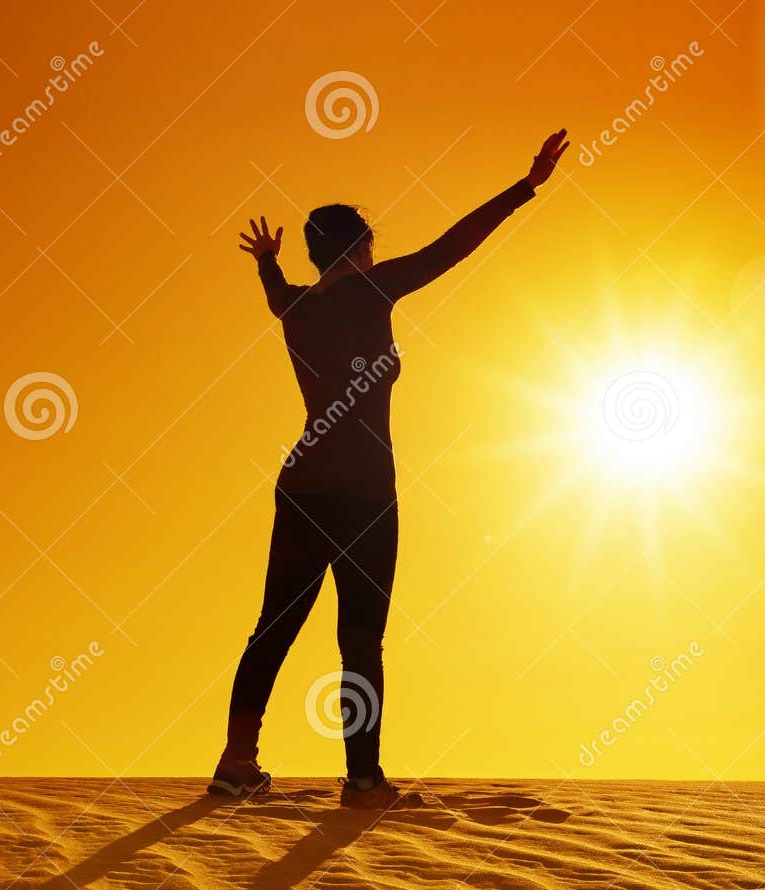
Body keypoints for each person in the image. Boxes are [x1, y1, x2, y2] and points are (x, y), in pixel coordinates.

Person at [211, 129, 570, 806]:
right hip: (365, 493)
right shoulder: (374, 289)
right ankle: (364, 778)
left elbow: (275, 295)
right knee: (361, 637)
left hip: (302, 485)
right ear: (362, 245)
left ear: (315, 253)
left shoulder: (295, 307)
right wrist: (526, 187)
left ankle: (237, 761)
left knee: (275, 625)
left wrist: (266, 264)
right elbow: (452, 247)